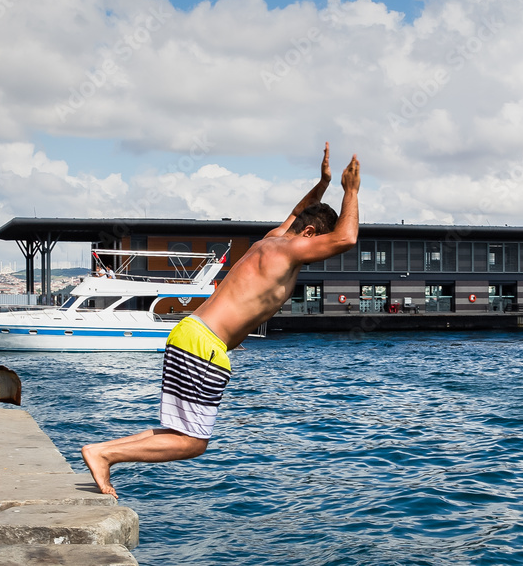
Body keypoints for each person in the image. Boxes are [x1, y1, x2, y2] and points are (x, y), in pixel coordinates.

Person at [82, 143, 360, 498]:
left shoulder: (270, 241)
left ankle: (102, 453)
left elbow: (296, 213)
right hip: (204, 344)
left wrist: (322, 184)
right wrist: (350, 189)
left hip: (190, 334)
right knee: (193, 443)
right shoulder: (288, 249)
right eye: (317, 245)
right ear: (308, 236)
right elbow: (347, 237)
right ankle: (103, 454)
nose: (317, 254)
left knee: (177, 432)